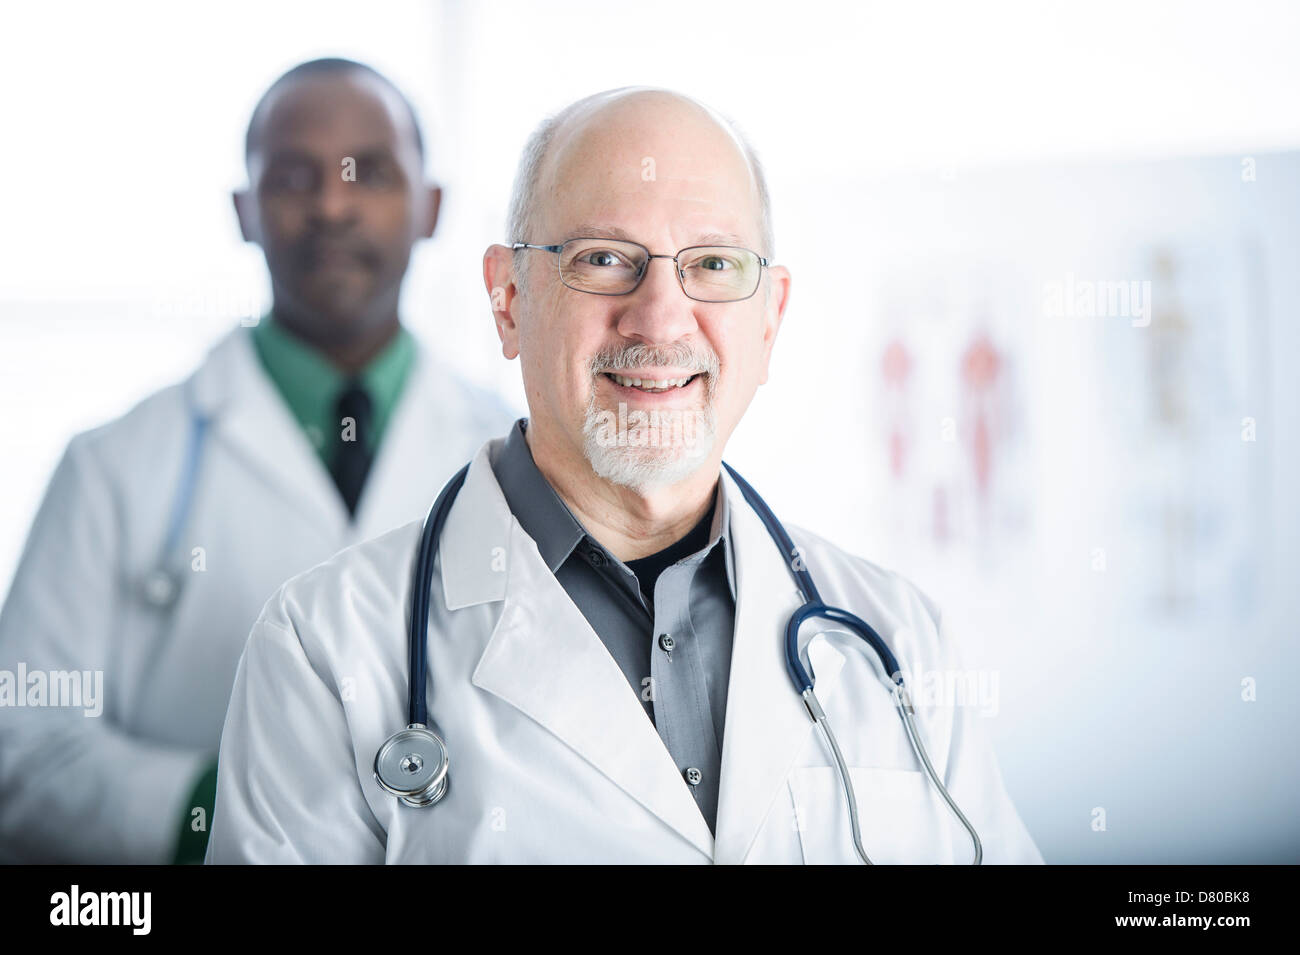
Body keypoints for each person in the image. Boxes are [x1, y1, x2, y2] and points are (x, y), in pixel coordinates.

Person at [205, 87, 1044, 864]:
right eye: (606, 258)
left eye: (713, 264)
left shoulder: (895, 637)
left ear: (771, 318)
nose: (661, 317)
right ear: (507, 298)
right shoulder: (323, 650)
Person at [0, 58, 515, 863]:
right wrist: (230, 799)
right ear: (244, 211)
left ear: (431, 207)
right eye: (291, 178)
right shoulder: (113, 465)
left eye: (369, 174)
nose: (332, 205)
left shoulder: (515, 457)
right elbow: (21, 754)